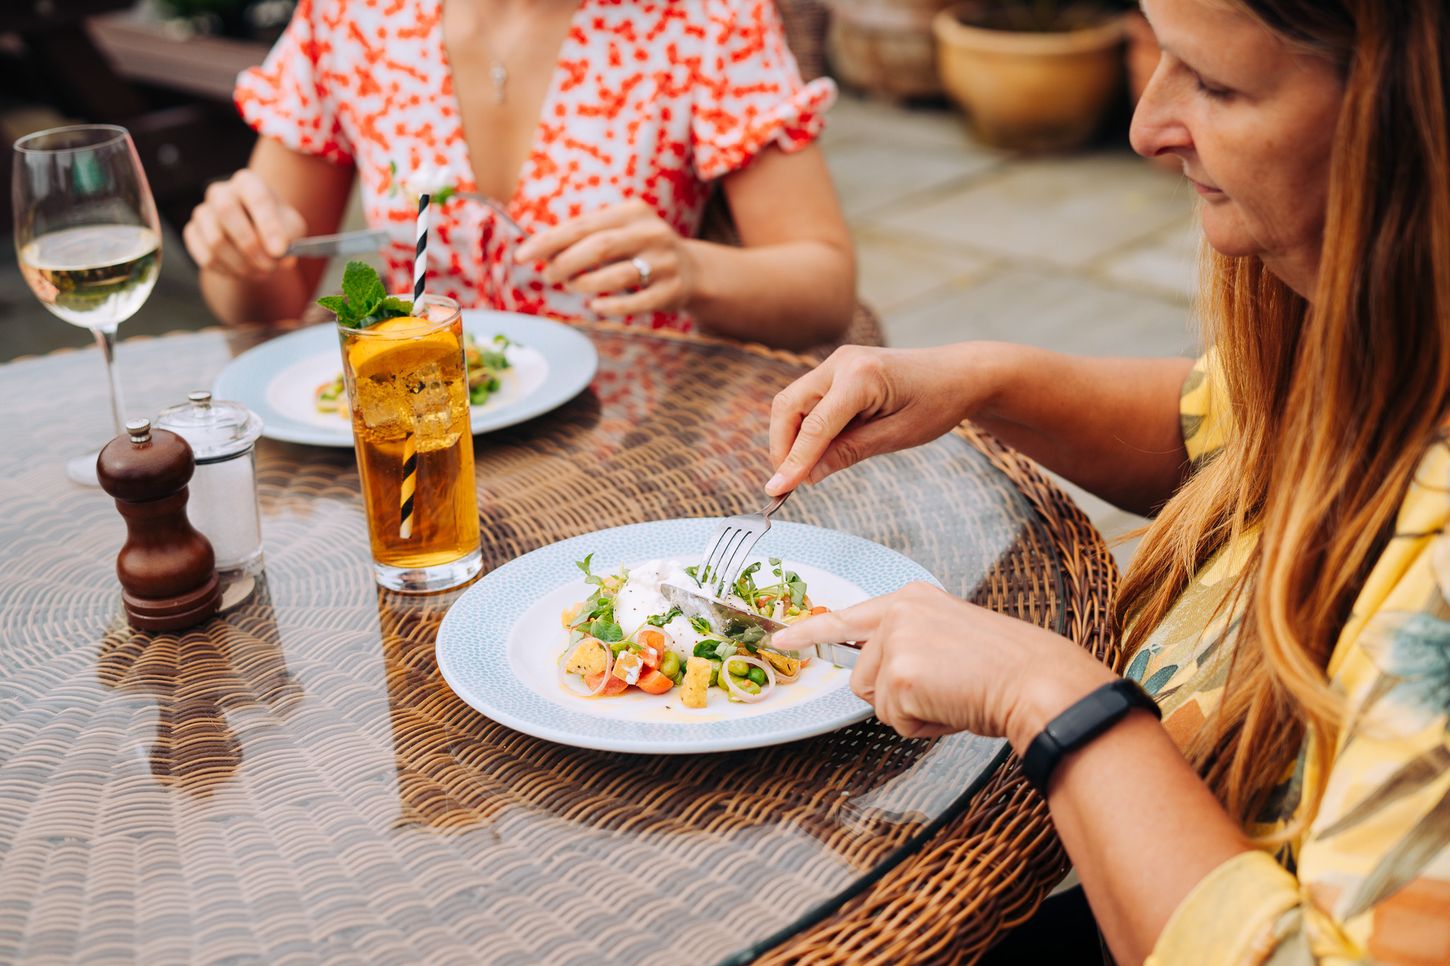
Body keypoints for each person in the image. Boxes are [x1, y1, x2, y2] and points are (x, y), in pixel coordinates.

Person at [764, 0, 1450, 961]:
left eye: (1214, 83)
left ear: (1409, 122)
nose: (1146, 128)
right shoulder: (1377, 332)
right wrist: (983, 379)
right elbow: (1224, 430)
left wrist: (1046, 693)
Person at [183, 0, 854, 349]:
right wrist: (238, 252)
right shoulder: (351, 18)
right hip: (422, 438)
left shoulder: (706, 19)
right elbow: (271, 304)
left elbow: (824, 286)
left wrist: (694, 270)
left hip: (645, 442)